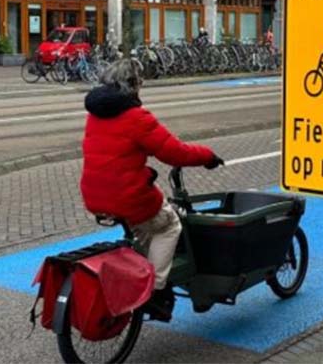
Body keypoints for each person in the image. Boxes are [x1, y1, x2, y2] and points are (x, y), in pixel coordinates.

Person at [80, 59, 223, 321]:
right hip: (128, 198)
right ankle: (155, 291)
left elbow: (112, 155)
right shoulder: (136, 117)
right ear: (133, 85)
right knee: (169, 225)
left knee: (144, 227)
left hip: (95, 195)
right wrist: (208, 156)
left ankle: (139, 274)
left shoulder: (95, 114)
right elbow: (174, 152)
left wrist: (144, 173)